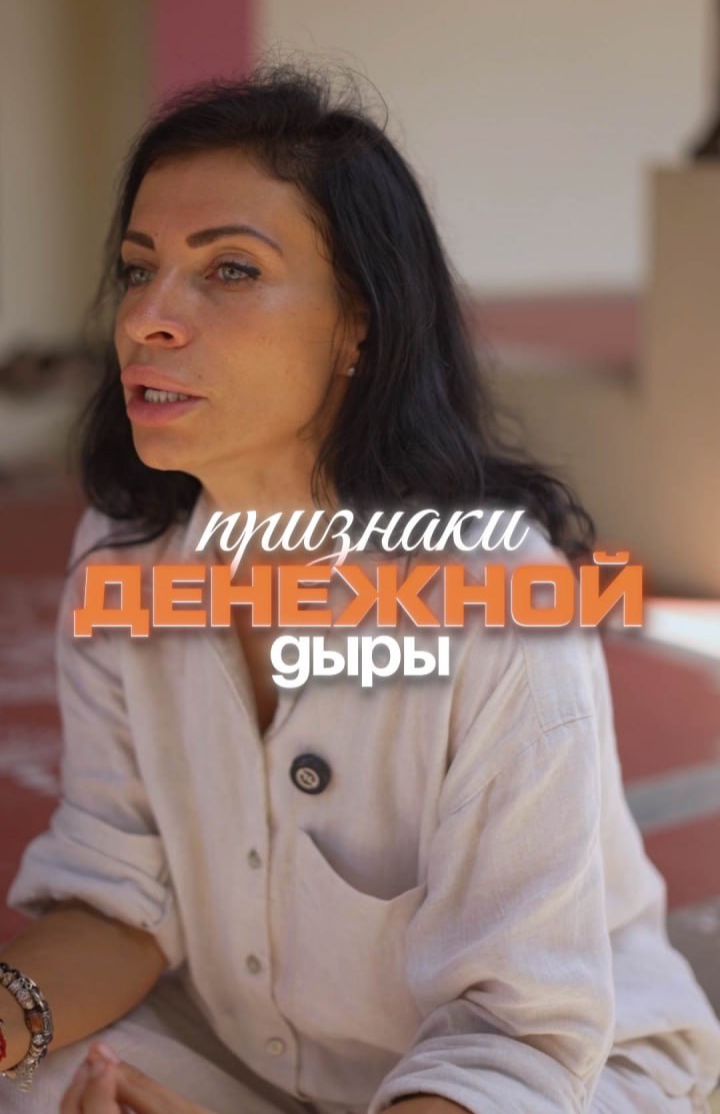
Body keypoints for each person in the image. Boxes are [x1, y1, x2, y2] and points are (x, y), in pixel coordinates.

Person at [1, 66, 718, 1114]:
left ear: (359, 325)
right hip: (253, 1060)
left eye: (230, 270)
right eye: (138, 268)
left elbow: (516, 1038)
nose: (148, 317)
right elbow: (120, 894)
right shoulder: (122, 559)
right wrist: (11, 1015)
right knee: (39, 1082)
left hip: (541, 1078)